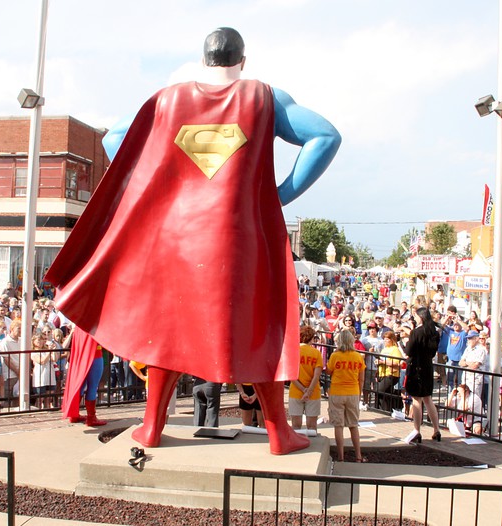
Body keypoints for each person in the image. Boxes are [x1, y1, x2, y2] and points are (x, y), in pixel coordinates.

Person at [45, 27, 340, 455]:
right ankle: (279, 433)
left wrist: (158, 182)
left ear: (204, 61)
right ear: (243, 61)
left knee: (168, 328)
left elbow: (114, 138)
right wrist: (280, 195)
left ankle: (152, 427)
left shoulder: (168, 99)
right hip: (242, 238)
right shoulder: (265, 97)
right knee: (258, 326)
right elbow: (326, 137)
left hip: (178, 236)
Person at [403, 307, 443, 444]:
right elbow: (432, 353)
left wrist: (407, 342)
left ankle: (417, 430)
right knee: (428, 399)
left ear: (421, 317)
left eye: (416, 316)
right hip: (427, 366)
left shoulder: (416, 332)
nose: (415, 318)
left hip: (416, 367)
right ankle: (436, 429)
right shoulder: (434, 333)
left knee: (417, 400)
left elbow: (409, 351)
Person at [327, 330, 365, 462]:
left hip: (337, 392)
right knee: (353, 425)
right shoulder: (358, 356)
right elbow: (361, 379)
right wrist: (359, 394)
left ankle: (341, 457)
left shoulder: (335, 356)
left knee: (338, 425)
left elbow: (328, 371)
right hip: (353, 392)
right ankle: (358, 456)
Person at [288, 325, 322, 431]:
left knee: (296, 426)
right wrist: (309, 391)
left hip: (296, 391)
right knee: (312, 427)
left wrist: (303, 390)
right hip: (313, 392)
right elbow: (316, 375)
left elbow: (290, 375)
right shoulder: (316, 353)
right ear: (311, 338)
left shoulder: (292, 351)